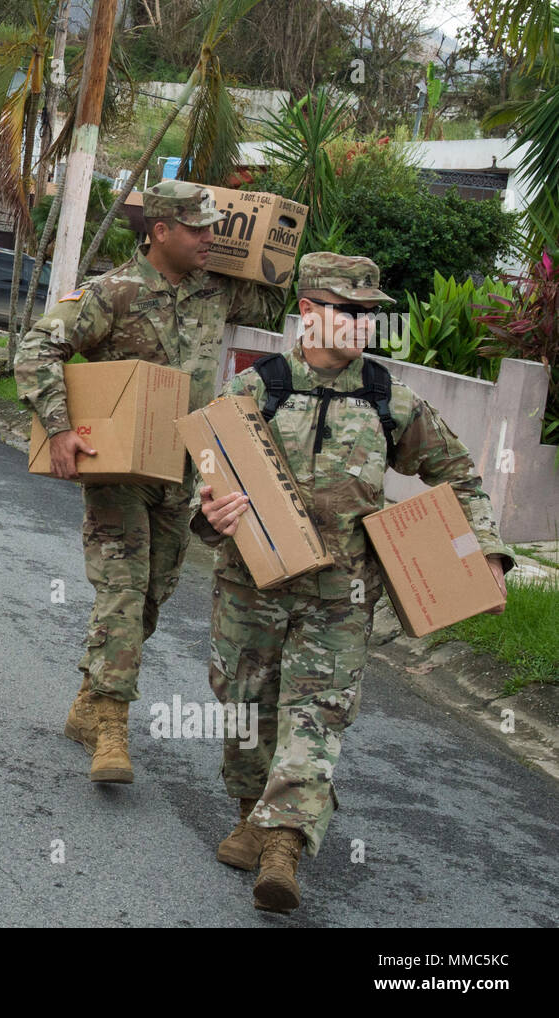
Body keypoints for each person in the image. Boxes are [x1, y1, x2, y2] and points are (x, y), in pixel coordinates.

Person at [193, 252, 512, 913]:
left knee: (317, 714)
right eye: (352, 312)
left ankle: (283, 846)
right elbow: (202, 492)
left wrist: (484, 552)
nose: (366, 325)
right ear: (309, 312)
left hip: (342, 596)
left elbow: (460, 474)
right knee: (246, 703)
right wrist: (211, 514)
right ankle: (254, 812)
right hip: (251, 587)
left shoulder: (391, 401)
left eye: (372, 314)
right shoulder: (253, 391)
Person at [13, 179, 283, 785]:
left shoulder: (220, 289)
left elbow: (276, 298)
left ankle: (90, 699)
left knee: (154, 595)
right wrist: (58, 427)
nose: (211, 238)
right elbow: (35, 349)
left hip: (184, 467)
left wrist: (267, 225)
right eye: (198, 229)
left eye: (216, 228)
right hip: (120, 470)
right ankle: (111, 727)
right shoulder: (112, 293)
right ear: (160, 231)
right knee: (124, 587)